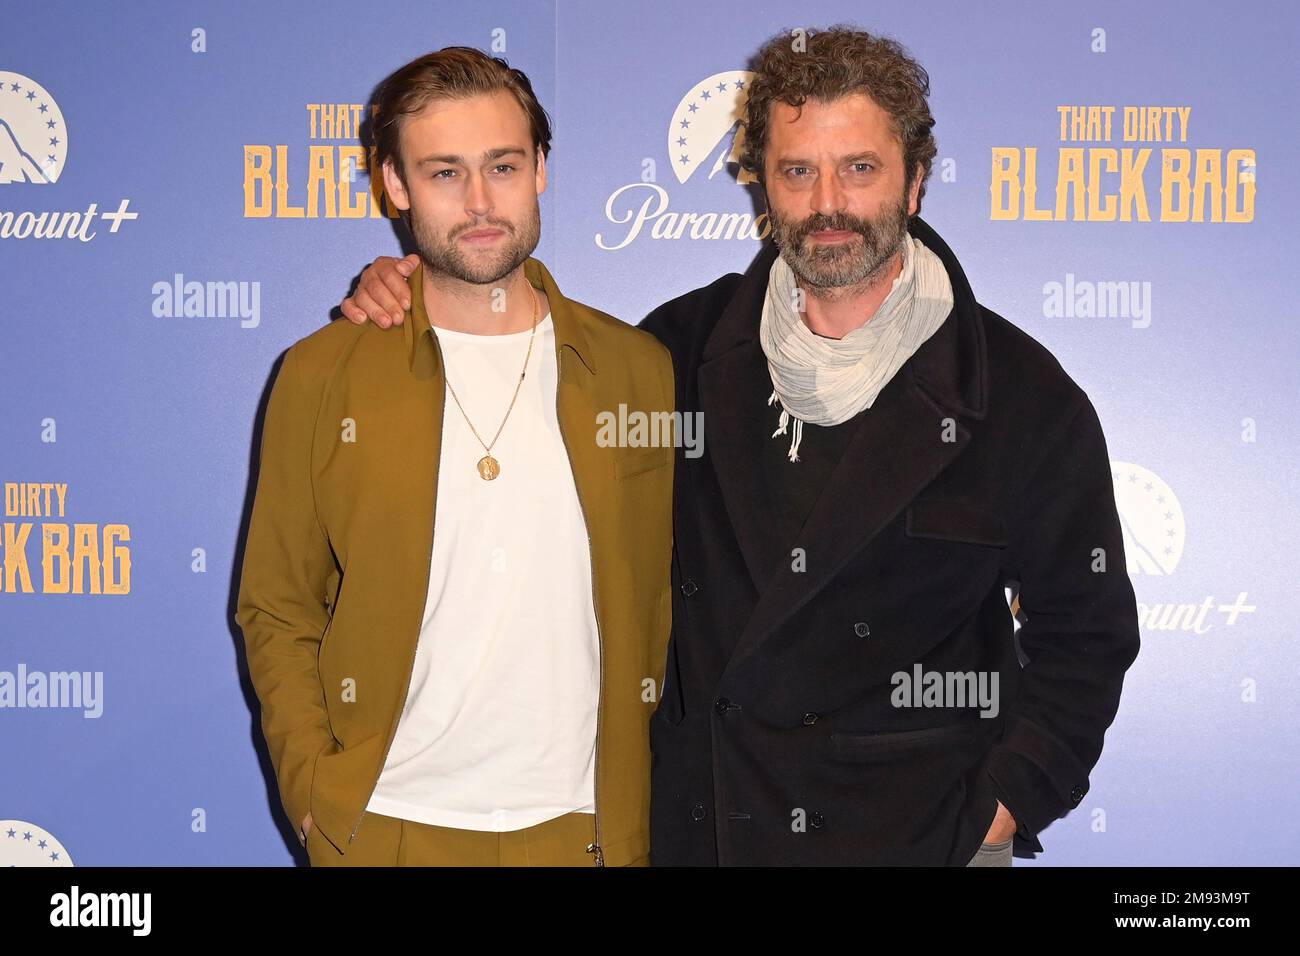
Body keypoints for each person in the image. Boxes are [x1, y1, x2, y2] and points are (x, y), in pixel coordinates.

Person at [341, 27, 1140, 866]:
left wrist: (1003, 807)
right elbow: (516, 399)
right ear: (764, 185)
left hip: (918, 835)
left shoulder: (1015, 391)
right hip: (707, 827)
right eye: (798, 171)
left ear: (915, 182)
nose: (827, 201)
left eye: (859, 168)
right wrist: (410, 291)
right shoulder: (675, 352)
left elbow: (1087, 633)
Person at [236, 46, 673, 867]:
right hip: (385, 826)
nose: (479, 202)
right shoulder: (323, 373)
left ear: (541, 168)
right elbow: (278, 606)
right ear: (394, 187)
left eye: (502, 165)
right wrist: (314, 801)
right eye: (443, 174)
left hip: (586, 830)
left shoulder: (639, 370)